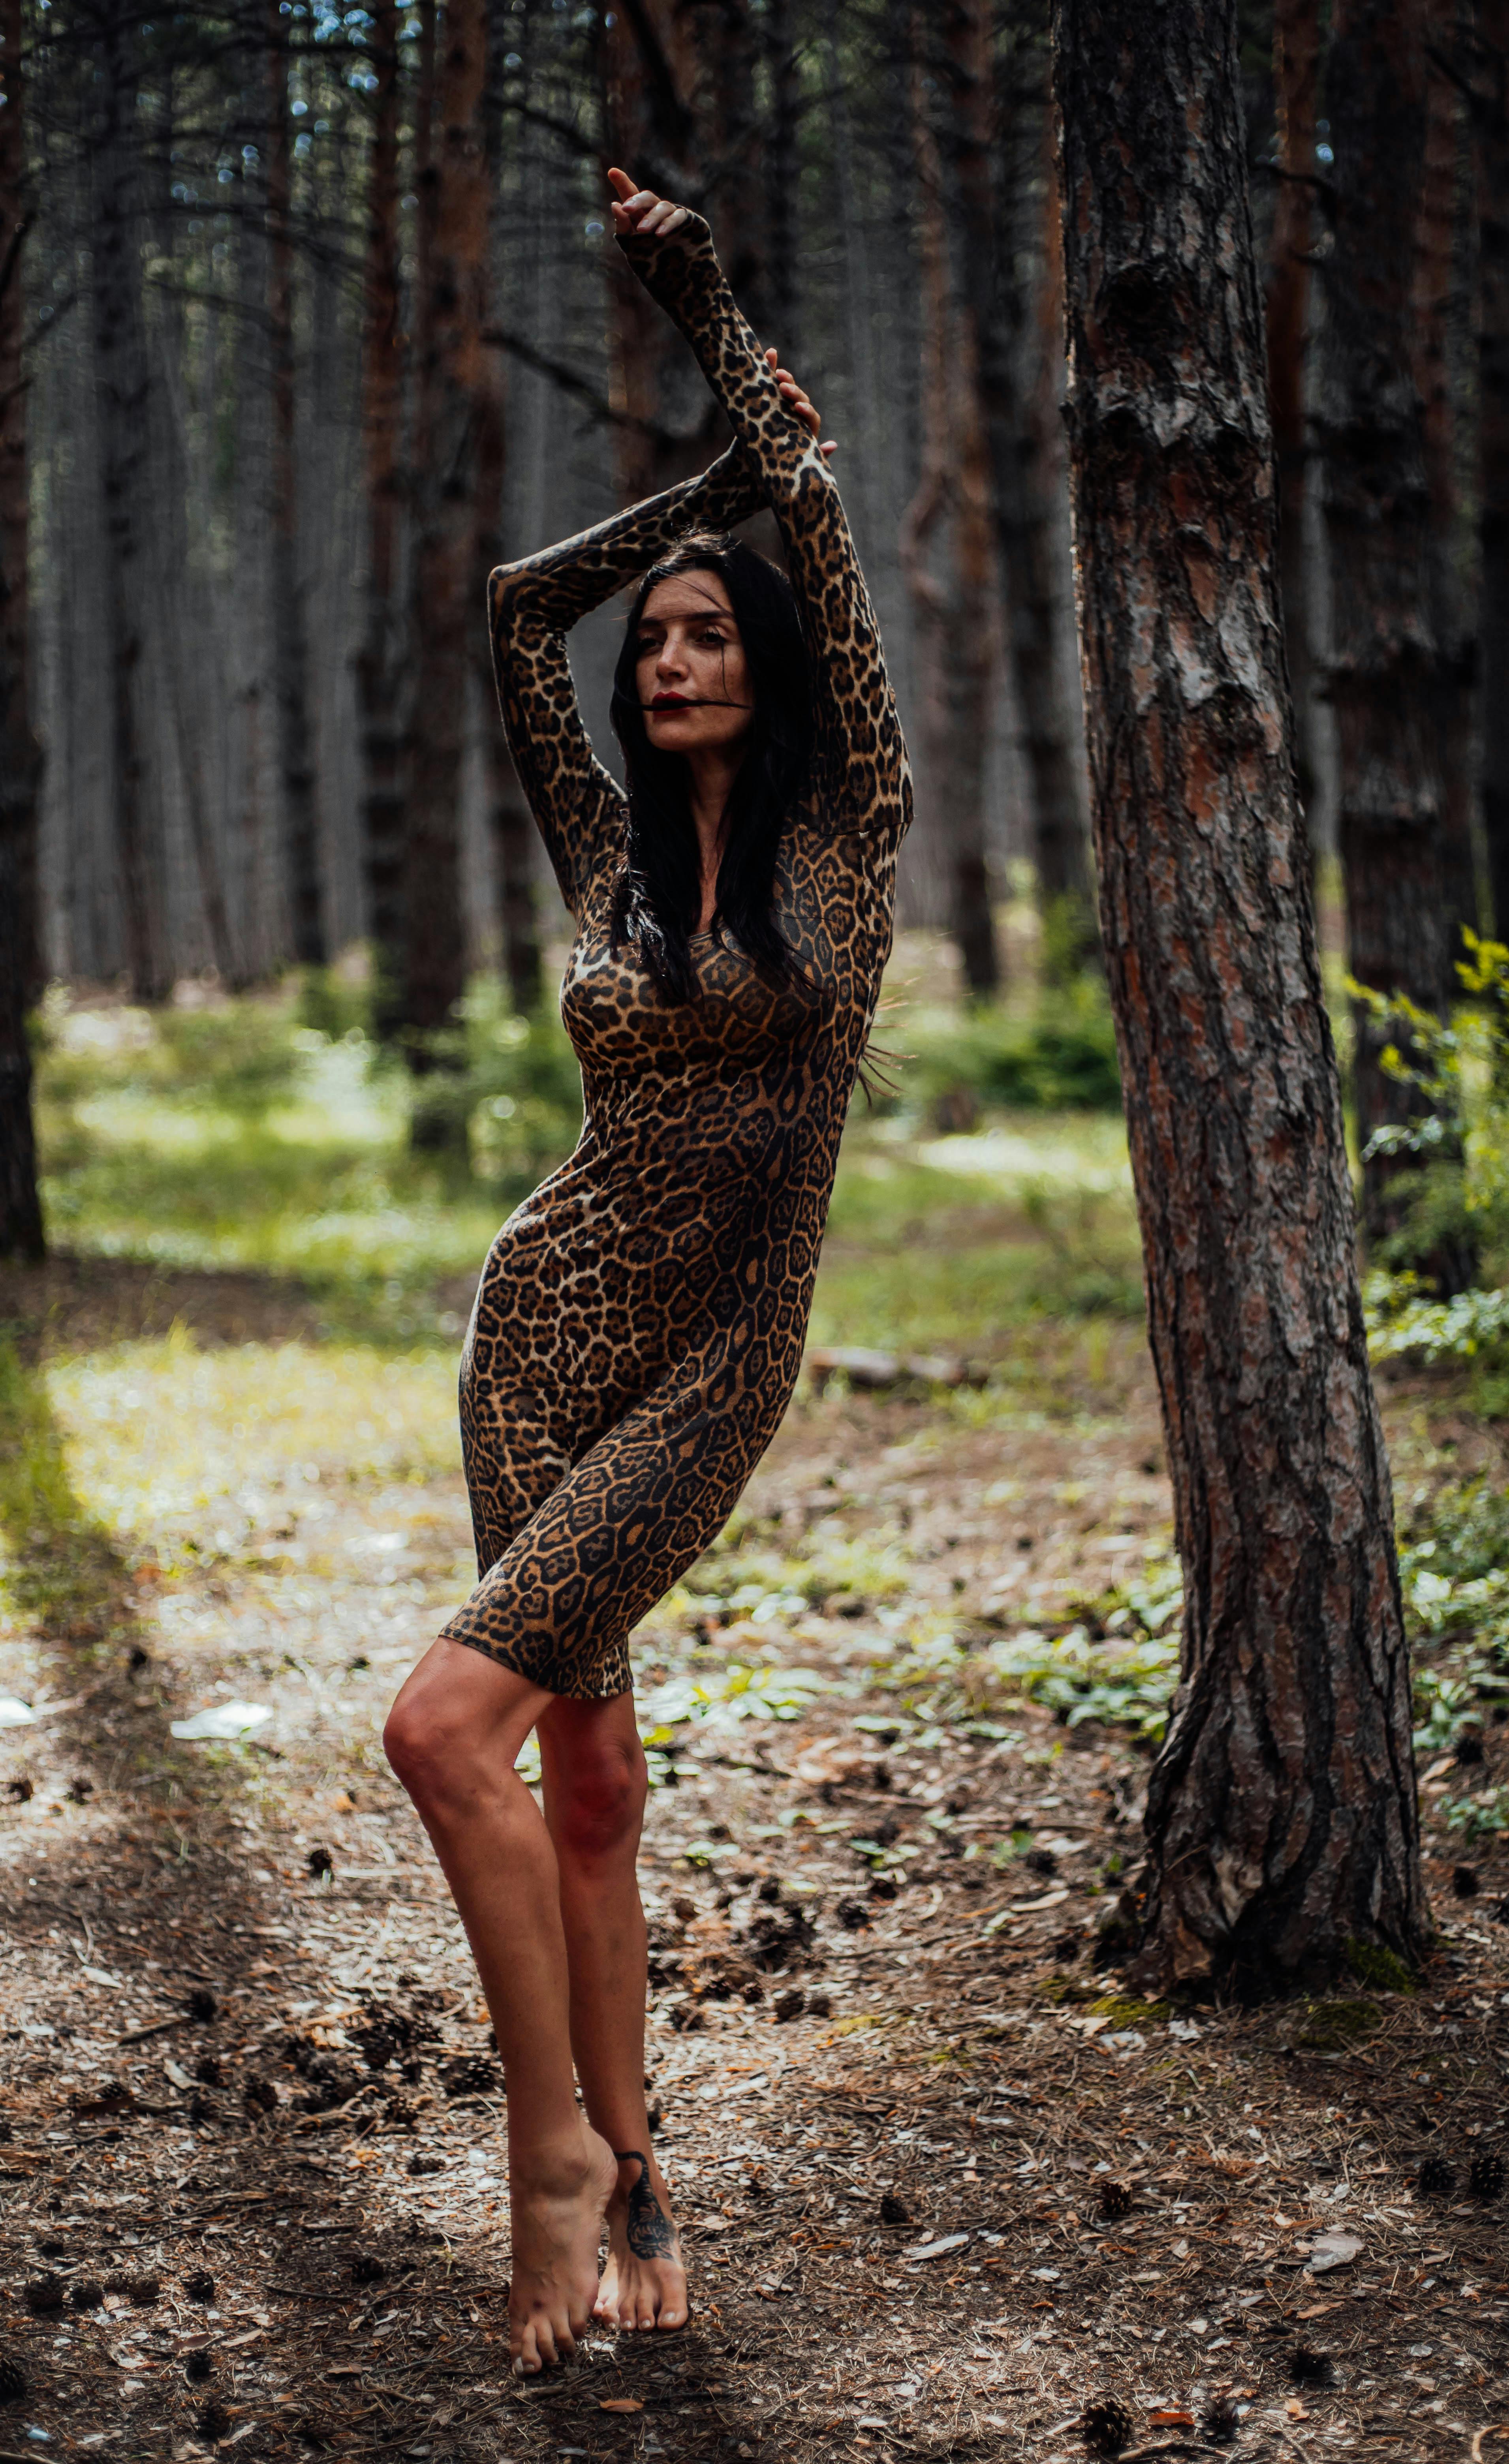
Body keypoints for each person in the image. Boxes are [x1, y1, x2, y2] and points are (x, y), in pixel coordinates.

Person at [383, 166, 912, 2378]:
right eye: (661, 641)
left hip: (716, 1354)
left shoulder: (845, 827)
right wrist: (686, 494)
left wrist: (705, 302)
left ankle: (553, 2168)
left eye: (711, 632)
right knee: (583, 1780)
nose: (676, 656)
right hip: (543, 1333)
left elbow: (828, 535)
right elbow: (517, 611)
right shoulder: (606, 849)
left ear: (764, 669)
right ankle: (645, 2162)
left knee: (438, 1727)